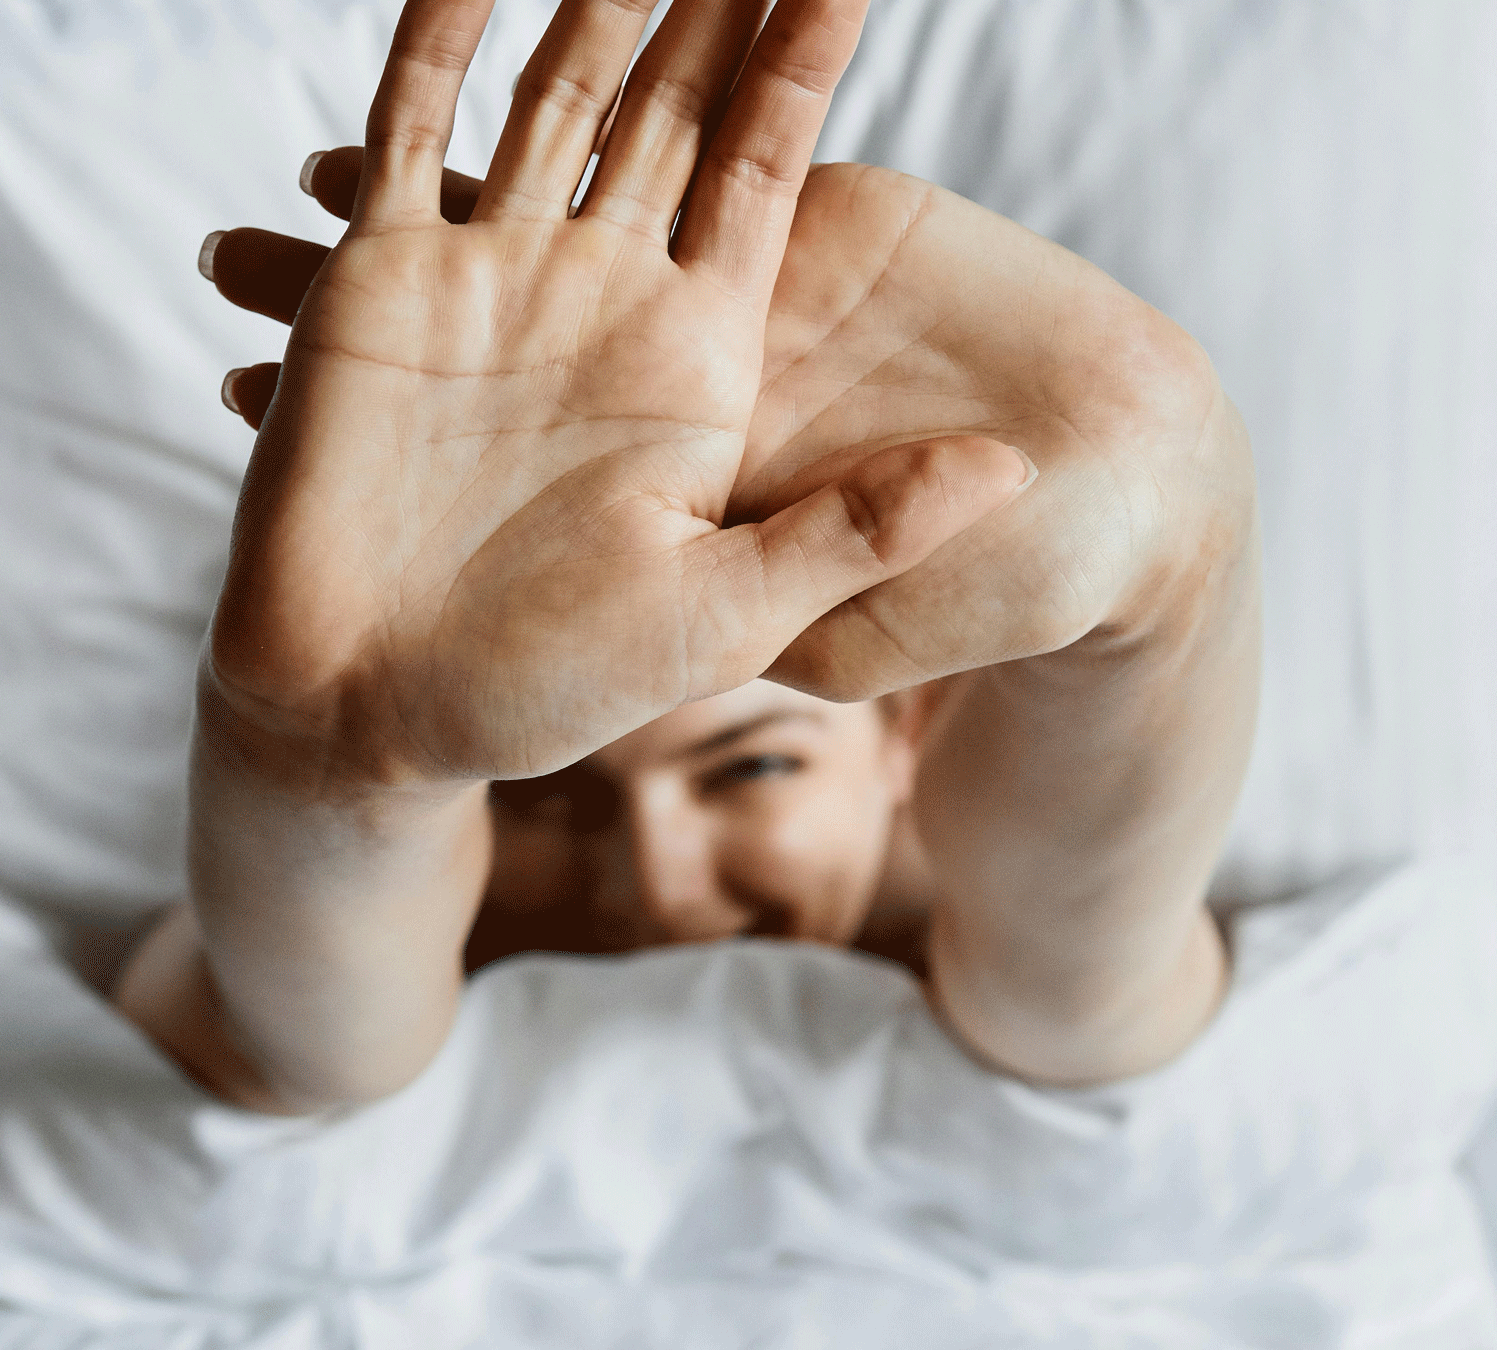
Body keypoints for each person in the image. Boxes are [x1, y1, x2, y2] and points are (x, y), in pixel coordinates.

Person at [112, 0, 1259, 1118]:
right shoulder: (401, 931)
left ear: (908, 732)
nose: (653, 887)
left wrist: (1178, 542)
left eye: (752, 769)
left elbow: (1085, 1006)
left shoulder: (984, 939)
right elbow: (278, 1054)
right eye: (552, 799)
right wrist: (329, 756)